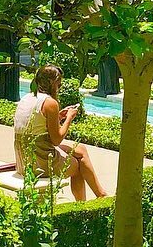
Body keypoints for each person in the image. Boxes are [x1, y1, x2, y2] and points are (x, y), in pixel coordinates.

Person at [13, 65, 106, 201]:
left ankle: (100, 194)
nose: (60, 87)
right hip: (39, 160)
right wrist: (69, 118)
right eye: (59, 84)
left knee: (80, 149)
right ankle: (83, 206)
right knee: (78, 164)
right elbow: (56, 140)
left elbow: (37, 126)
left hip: (24, 158)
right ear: (53, 83)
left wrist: (58, 117)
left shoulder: (27, 98)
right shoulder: (50, 103)